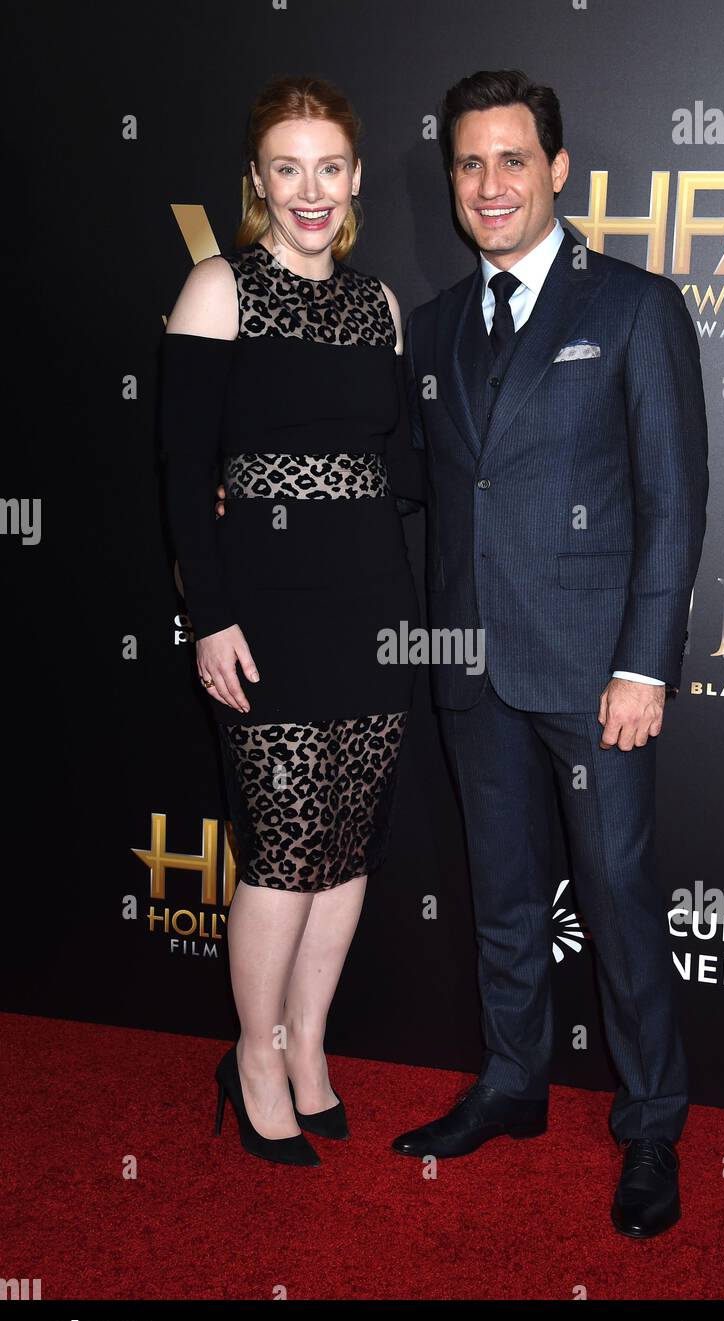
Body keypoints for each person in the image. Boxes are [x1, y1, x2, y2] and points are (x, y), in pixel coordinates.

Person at [391, 69, 709, 1239]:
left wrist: (644, 663)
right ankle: (514, 1083)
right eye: (470, 162)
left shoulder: (631, 306)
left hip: (594, 672)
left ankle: (653, 1125)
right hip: (471, 666)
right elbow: (420, 482)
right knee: (505, 897)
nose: (490, 184)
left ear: (559, 170)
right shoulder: (432, 325)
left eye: (512, 159)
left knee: (621, 900)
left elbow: (673, 502)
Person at [157, 74, 423, 1166]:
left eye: (328, 167)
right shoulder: (219, 287)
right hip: (262, 607)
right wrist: (209, 616)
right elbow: (180, 476)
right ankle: (253, 1054)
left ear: (354, 177)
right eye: (286, 168)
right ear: (258, 182)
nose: (309, 190)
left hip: (371, 595)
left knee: (345, 842)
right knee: (280, 844)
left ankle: (309, 1047)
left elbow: (400, 465)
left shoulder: (381, 306)